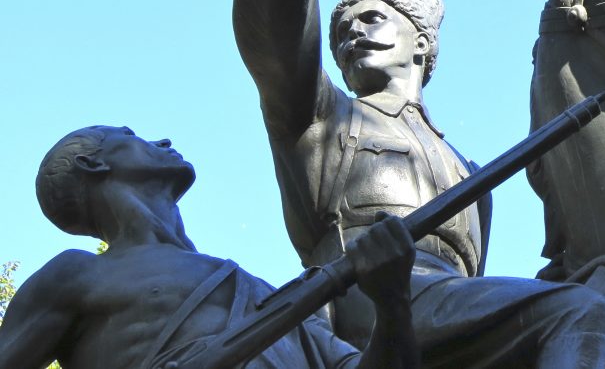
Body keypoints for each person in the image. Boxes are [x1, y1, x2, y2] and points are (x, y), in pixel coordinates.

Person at [233, 0, 605, 367]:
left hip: (446, 316)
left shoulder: (468, 169)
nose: (351, 34)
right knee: (579, 312)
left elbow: (475, 282)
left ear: (421, 42)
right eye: (342, 31)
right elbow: (277, 41)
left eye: (371, 19)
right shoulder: (322, 121)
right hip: (366, 301)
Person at [0, 126, 418, 369]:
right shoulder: (78, 274)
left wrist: (393, 301)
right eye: (130, 136)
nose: (161, 140)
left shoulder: (267, 297)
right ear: (93, 164)